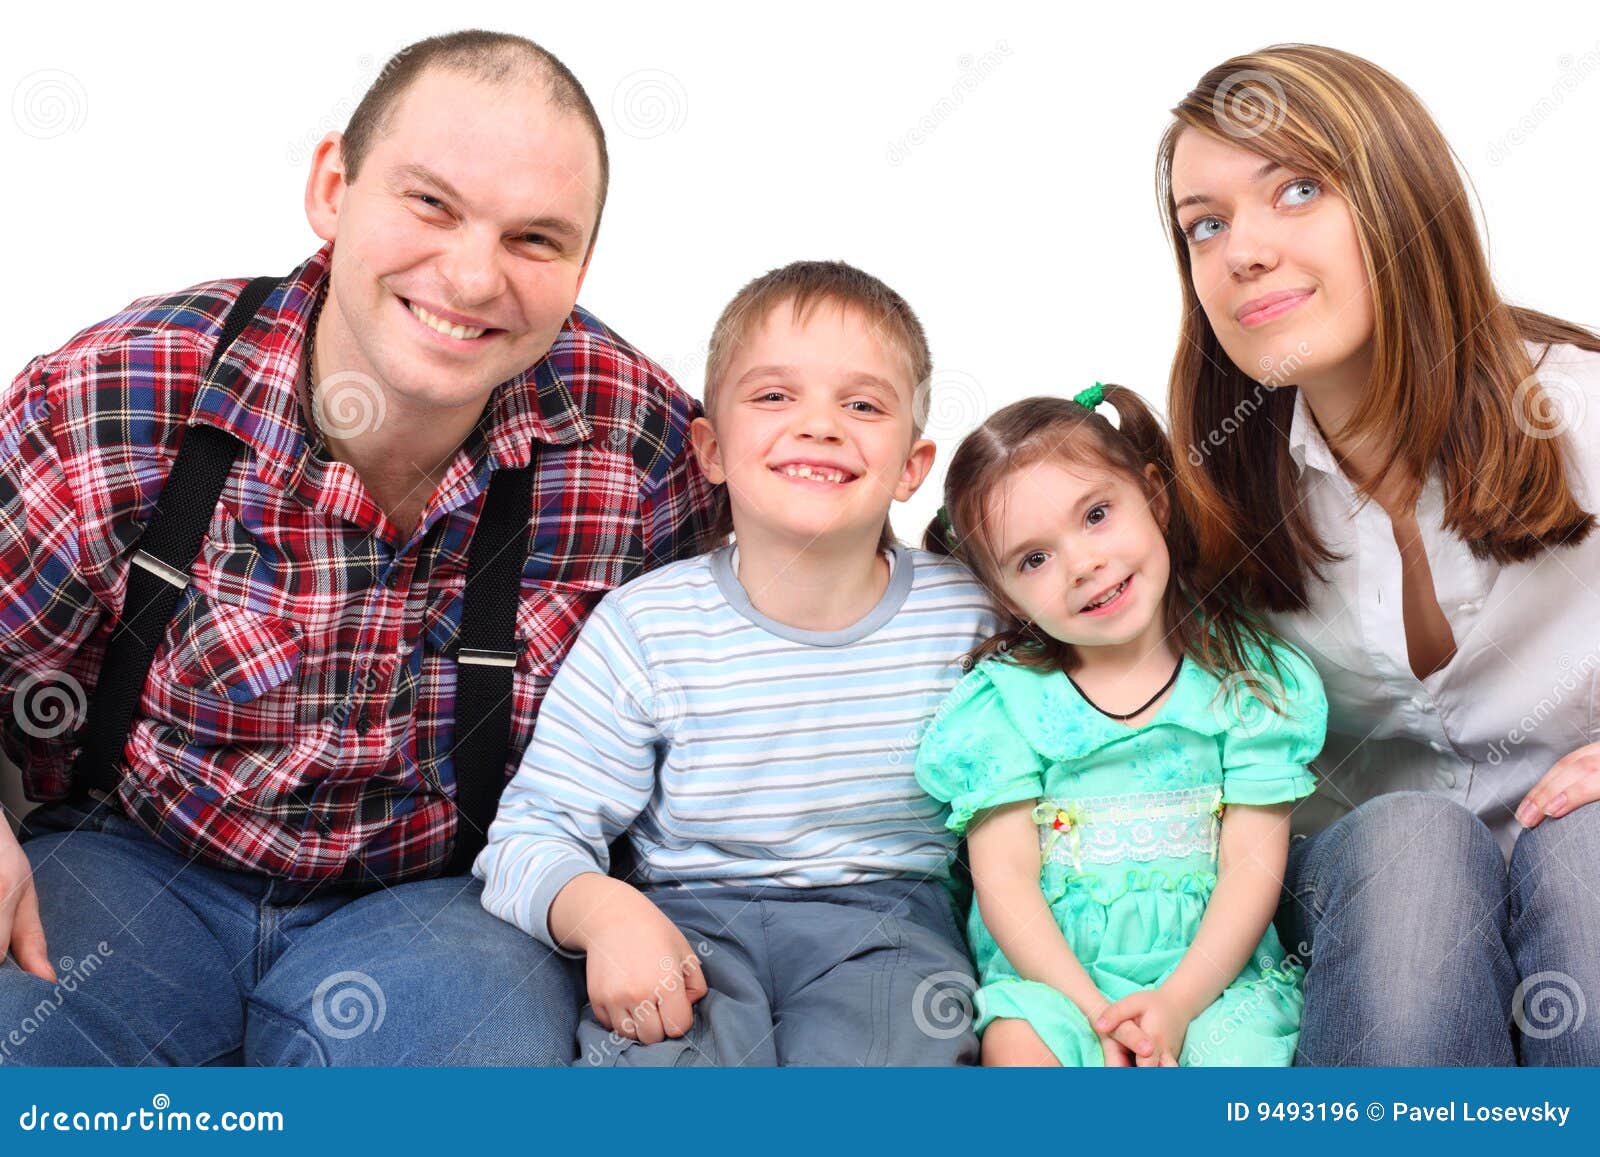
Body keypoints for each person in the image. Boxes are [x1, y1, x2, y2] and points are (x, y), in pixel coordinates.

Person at [0, 29, 713, 1066]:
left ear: (581, 264)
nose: (470, 277)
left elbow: (802, 615)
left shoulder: (642, 447)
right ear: (333, 186)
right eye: (431, 204)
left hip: (445, 916)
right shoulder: (120, 392)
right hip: (128, 872)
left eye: (534, 239)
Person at [1159, 43, 1600, 1064]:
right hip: (1372, 899)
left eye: (1298, 189)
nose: (1242, 251)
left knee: (1581, 850)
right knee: (1411, 844)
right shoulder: (1208, 494)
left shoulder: (1575, 410)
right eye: (1205, 225)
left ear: (1404, 202)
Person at [476, 261, 1003, 1065]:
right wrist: (605, 914)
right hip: (687, 925)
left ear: (911, 466)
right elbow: (533, 831)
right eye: (774, 395)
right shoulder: (647, 627)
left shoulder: (970, 616)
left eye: (861, 404)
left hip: (890, 928)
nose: (820, 425)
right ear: (712, 450)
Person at [915, 386, 1327, 1066]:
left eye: (1098, 514)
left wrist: (1178, 1003)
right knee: (1021, 1046)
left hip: (1214, 979)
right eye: (1033, 559)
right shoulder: (1004, 707)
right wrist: (1094, 1014)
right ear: (1001, 591)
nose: (1083, 564)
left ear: (1155, 498)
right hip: (1055, 981)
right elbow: (1006, 883)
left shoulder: (1248, 686)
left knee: (1240, 1059)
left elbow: (1251, 868)